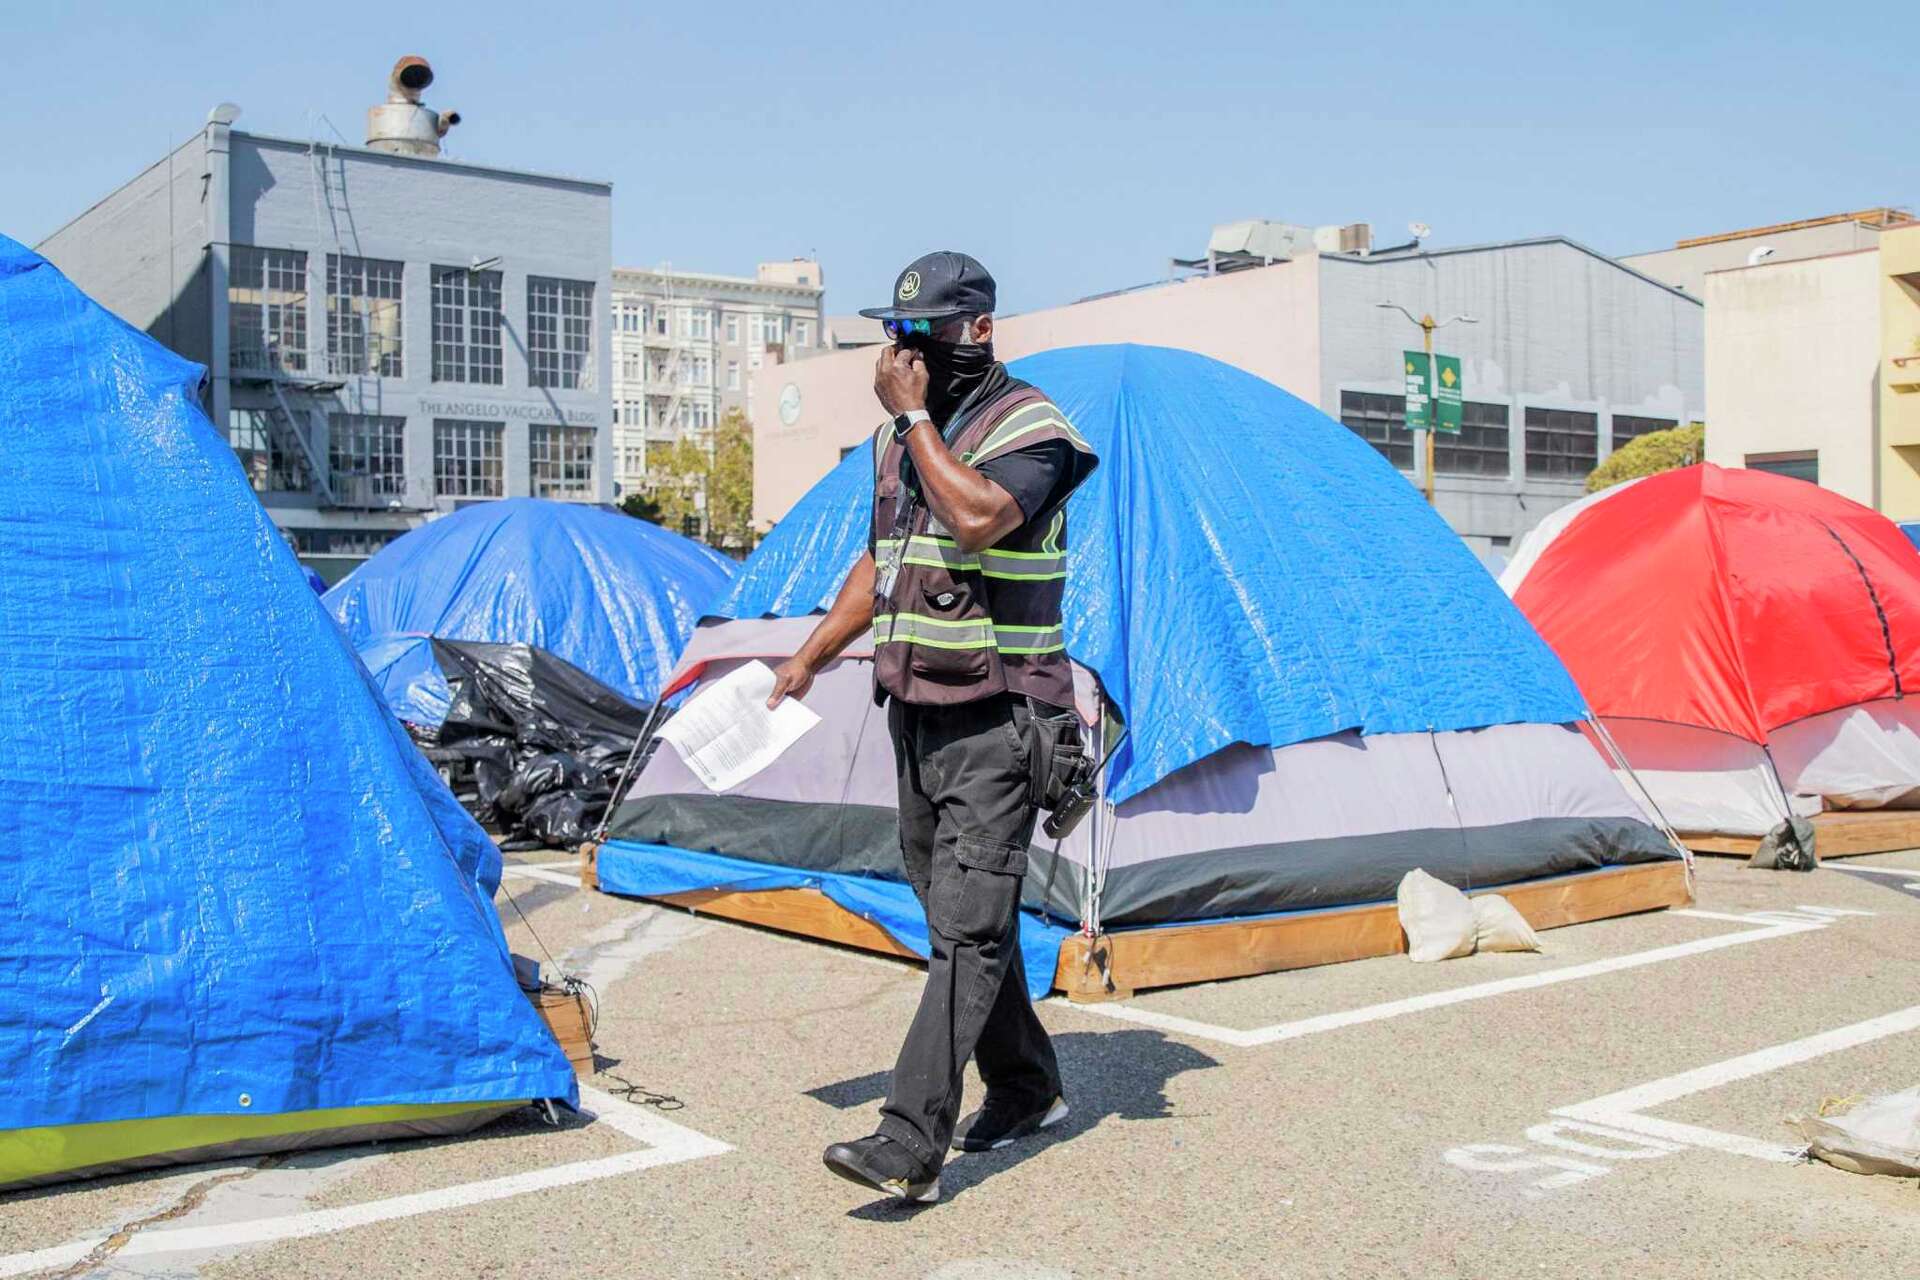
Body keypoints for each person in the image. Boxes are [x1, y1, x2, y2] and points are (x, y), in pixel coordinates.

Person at [765, 251, 1098, 1203]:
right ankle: (1028, 1085)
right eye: (896, 332)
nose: (903, 350)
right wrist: (812, 654)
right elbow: (883, 562)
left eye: (923, 333)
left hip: (1004, 716)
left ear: (978, 331)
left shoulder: (1033, 428)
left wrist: (914, 421)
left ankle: (909, 1140)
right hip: (916, 712)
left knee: (969, 924)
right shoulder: (895, 444)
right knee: (956, 916)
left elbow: (982, 518)